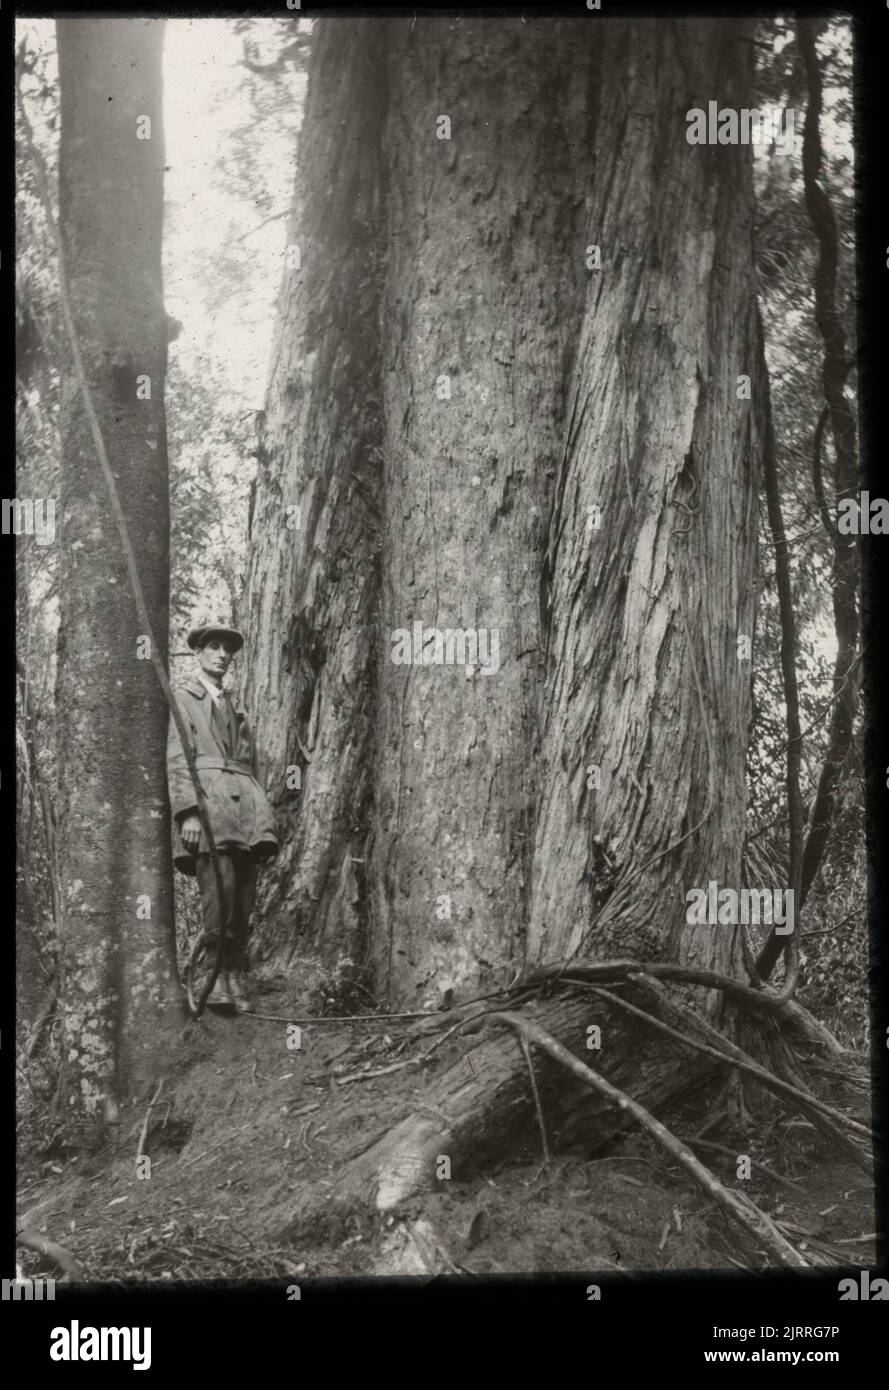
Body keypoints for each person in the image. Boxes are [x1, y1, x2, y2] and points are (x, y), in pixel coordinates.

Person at [166, 623, 278, 1013]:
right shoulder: (183, 699)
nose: (221, 655)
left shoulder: (236, 707)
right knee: (220, 889)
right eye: (213, 647)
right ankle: (209, 975)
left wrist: (262, 819)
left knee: (244, 894)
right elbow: (178, 757)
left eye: (227, 649)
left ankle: (232, 974)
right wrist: (188, 814)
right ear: (197, 653)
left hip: (244, 811)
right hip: (210, 807)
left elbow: (252, 765)